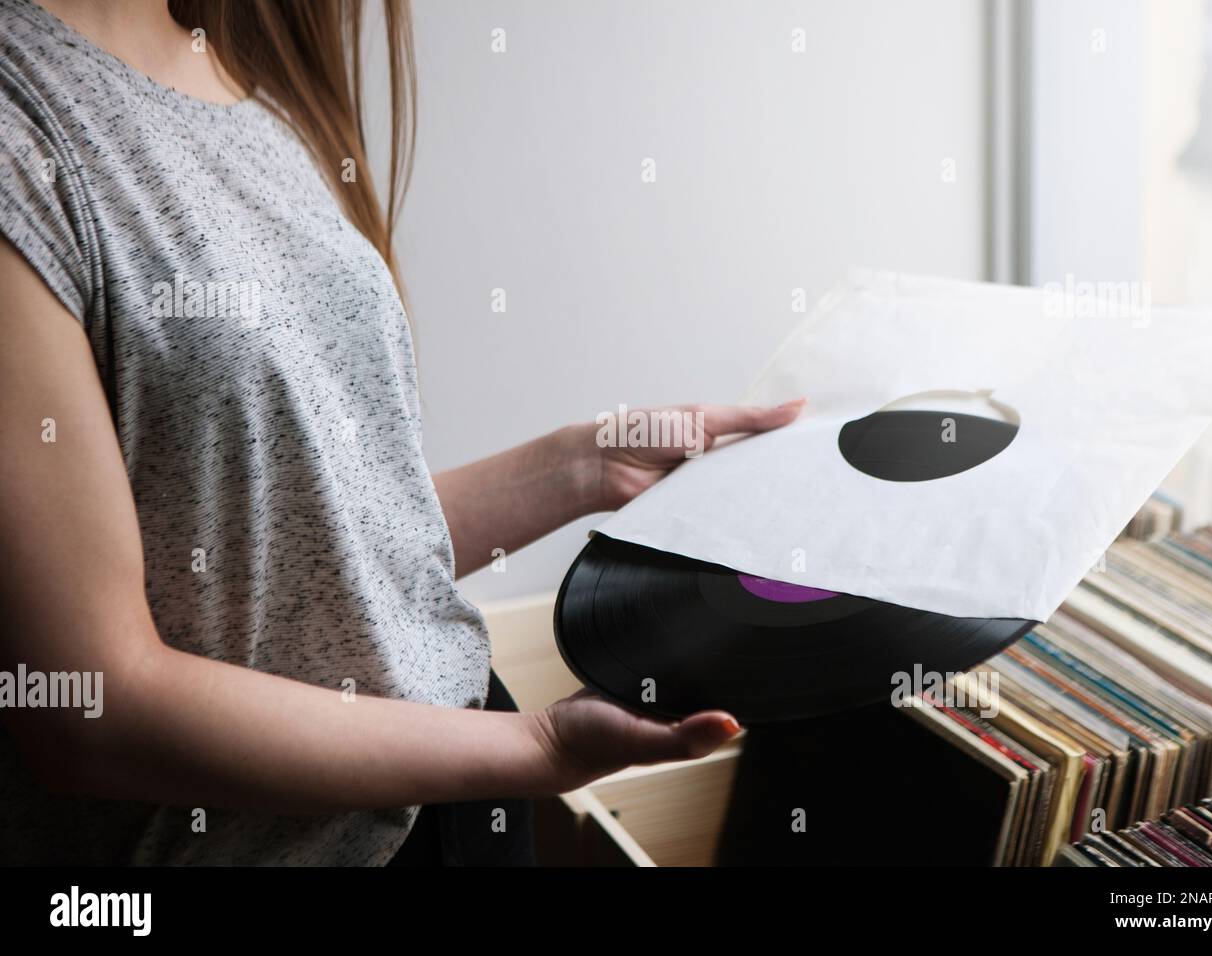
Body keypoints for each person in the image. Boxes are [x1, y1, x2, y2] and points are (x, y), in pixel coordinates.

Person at [0, 0, 803, 865]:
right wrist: (540, 750)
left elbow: (325, 551)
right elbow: (89, 708)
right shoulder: (23, 123)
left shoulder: (232, 85)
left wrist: (589, 464)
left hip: (455, 806)